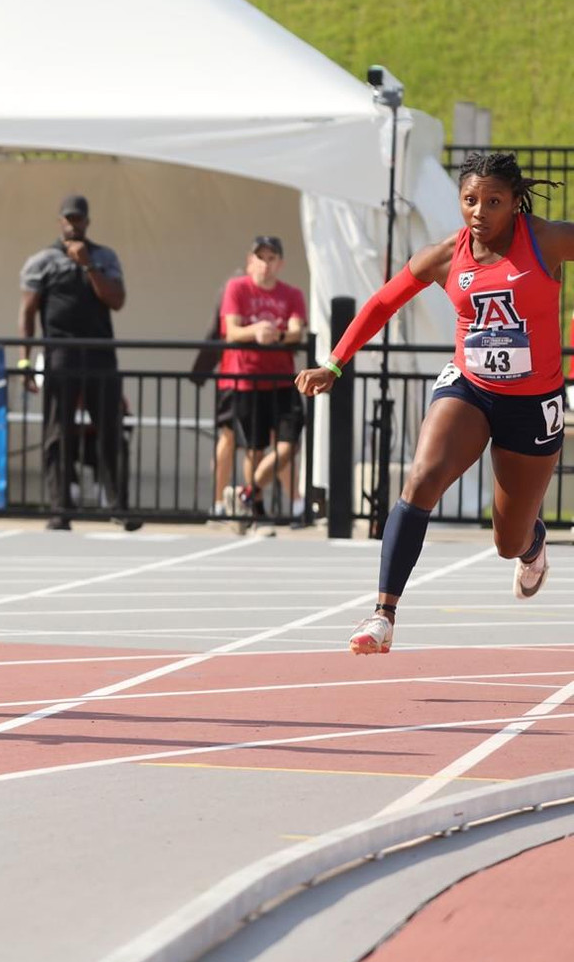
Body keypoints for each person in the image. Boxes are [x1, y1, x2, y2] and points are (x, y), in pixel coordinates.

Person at [299, 151, 564, 656]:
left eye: (493, 201)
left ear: (514, 204)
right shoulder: (445, 255)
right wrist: (334, 363)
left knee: (507, 540)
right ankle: (383, 614)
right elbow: (381, 303)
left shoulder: (545, 239)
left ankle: (532, 545)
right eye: (469, 201)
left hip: (532, 403)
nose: (479, 212)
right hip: (470, 387)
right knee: (421, 478)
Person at [19, 194, 139, 532]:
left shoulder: (104, 257)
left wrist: (88, 265)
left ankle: (118, 505)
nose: (74, 225)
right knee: (58, 432)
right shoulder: (41, 260)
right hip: (60, 355)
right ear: (60, 221)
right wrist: (26, 362)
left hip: (100, 355)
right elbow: (27, 312)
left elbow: (116, 300)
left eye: (79, 219)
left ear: (88, 221)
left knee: (111, 430)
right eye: (68, 219)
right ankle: (60, 508)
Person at [217, 236, 308, 527]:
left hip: (282, 380)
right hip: (247, 380)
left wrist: (277, 335)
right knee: (253, 448)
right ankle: (252, 504)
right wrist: (256, 330)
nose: (265, 264)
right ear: (250, 260)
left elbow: (296, 331)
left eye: (271, 258)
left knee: (287, 446)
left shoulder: (291, 294)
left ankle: (246, 493)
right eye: (260, 257)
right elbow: (231, 331)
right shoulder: (237, 287)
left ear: (279, 263)